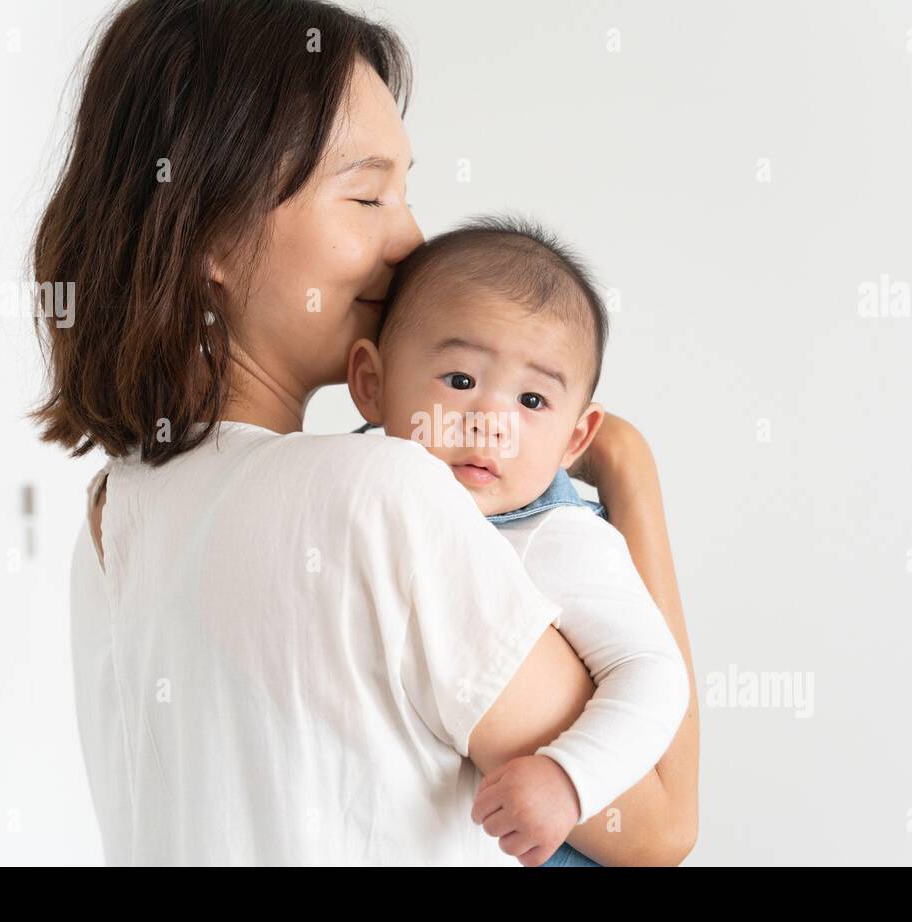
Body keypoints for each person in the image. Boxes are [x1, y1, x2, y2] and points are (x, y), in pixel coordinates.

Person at [34, 0, 699, 865]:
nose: (411, 238)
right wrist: (630, 473)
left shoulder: (111, 516)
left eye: (405, 192)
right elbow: (660, 821)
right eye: (366, 194)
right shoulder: (381, 490)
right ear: (212, 231)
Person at [346, 214, 691, 867]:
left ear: (575, 438)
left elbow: (652, 671)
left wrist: (569, 776)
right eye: (460, 381)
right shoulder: (352, 491)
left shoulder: (552, 539)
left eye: (532, 401)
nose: (491, 422)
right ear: (372, 383)